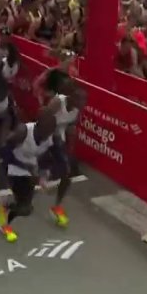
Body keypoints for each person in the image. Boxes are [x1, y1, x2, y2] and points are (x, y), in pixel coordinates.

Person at [0, 110, 57, 243]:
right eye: (46, 131)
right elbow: (5, 152)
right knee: (24, 206)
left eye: (50, 131)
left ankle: (6, 206)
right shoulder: (23, 132)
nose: (47, 135)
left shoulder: (49, 137)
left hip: (30, 170)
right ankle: (4, 220)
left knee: (27, 209)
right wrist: (23, 166)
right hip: (13, 167)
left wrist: (43, 175)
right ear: (38, 126)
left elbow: (47, 157)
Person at [41, 82, 84, 227]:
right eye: (79, 99)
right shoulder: (58, 102)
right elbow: (42, 118)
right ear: (71, 96)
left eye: (84, 100)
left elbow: (71, 129)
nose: (82, 103)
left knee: (68, 172)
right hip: (43, 135)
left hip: (58, 141)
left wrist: (69, 152)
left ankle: (57, 206)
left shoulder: (76, 111)